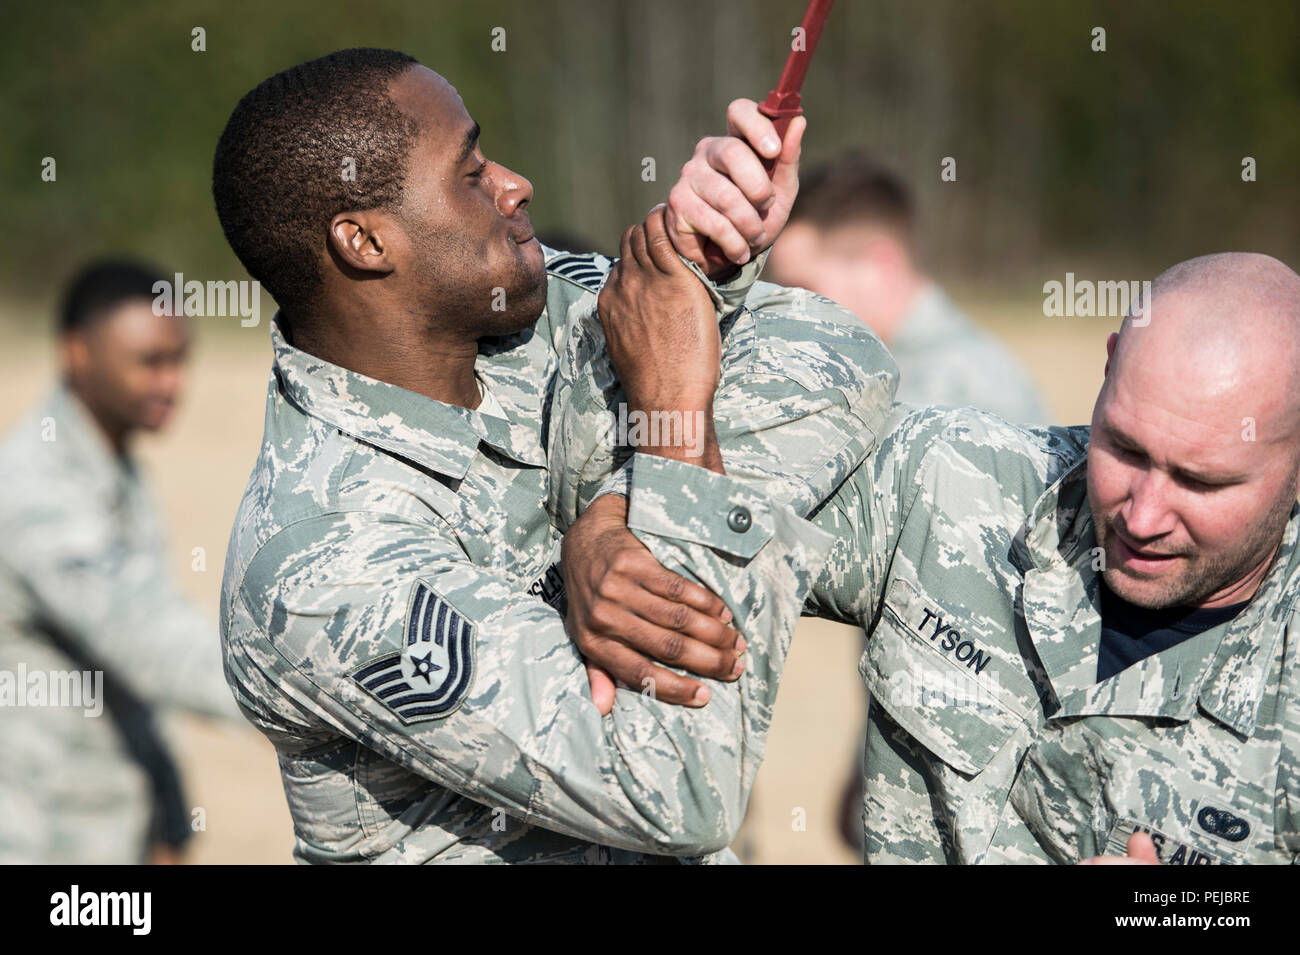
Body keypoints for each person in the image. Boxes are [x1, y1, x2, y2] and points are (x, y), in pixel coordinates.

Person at [212, 48, 897, 863]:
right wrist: (674, 429)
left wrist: (708, 268)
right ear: (365, 241)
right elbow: (679, 790)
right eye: (470, 172)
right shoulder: (319, 560)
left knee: (936, 468)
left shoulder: (519, 323)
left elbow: (838, 351)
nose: (514, 183)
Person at [575, 245, 1300, 863]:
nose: (1142, 514)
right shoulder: (953, 482)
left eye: (1200, 481)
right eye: (1126, 447)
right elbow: (722, 449)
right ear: (1109, 367)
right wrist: (615, 509)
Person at [0, 260, 238, 864]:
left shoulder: (115, 472)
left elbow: (123, 683)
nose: (171, 384)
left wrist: (170, 812)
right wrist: (297, 693)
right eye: (149, 362)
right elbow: (144, 637)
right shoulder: (34, 487)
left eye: (179, 360)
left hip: (114, 829)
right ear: (77, 353)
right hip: (43, 839)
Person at [766, 153, 1048, 424]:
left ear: (881, 266)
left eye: (802, 289)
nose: (789, 311)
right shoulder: (881, 367)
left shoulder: (964, 392)